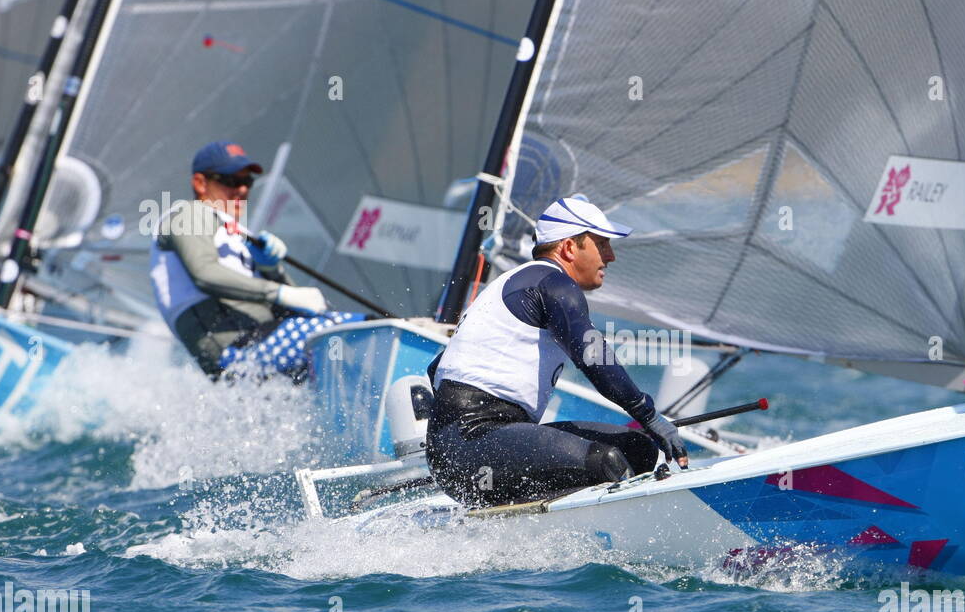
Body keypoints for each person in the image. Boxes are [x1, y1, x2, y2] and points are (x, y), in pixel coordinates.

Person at [425, 194, 687, 507]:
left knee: (638, 448)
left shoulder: (512, 285)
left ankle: (534, 506)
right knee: (605, 461)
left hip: (487, 441)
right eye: (601, 243)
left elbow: (436, 368)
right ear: (568, 248)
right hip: (470, 443)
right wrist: (649, 415)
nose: (611, 256)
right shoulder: (553, 284)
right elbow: (593, 357)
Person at [149, 141, 362, 380]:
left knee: (354, 329)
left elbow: (297, 306)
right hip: (237, 352)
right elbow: (204, 273)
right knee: (355, 333)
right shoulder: (189, 214)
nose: (242, 190)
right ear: (200, 183)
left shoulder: (234, 233)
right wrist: (279, 291)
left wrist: (272, 270)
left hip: (264, 339)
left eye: (247, 181)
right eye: (230, 181)